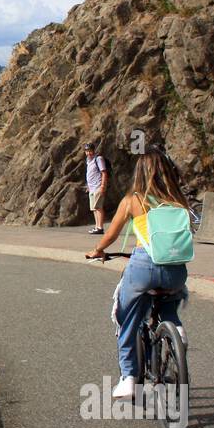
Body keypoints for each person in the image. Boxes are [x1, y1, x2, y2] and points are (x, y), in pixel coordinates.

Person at [85, 147, 190, 400]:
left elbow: (110, 235)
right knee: (169, 301)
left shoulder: (134, 200)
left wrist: (97, 250)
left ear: (140, 173)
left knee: (126, 316)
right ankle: (175, 328)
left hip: (144, 265)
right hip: (177, 269)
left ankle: (129, 377)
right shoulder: (177, 199)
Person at [84, 143, 109, 234]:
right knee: (94, 208)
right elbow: (90, 174)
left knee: (98, 207)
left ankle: (100, 227)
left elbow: (104, 172)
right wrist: (88, 186)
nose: (88, 153)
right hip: (91, 188)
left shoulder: (98, 159)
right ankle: (97, 226)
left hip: (98, 186)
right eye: (86, 151)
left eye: (90, 151)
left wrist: (103, 186)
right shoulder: (88, 160)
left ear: (93, 150)